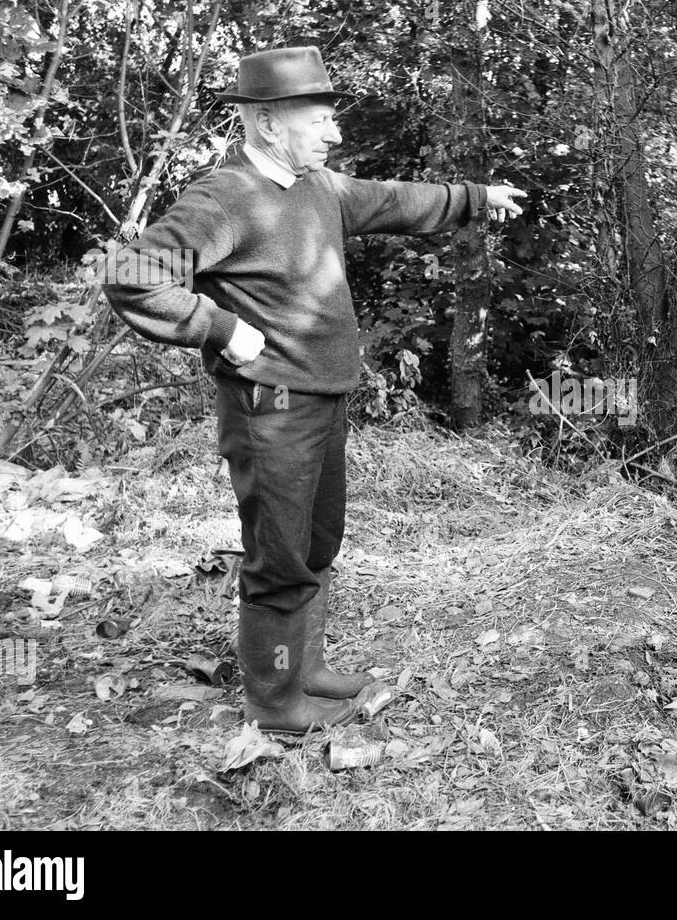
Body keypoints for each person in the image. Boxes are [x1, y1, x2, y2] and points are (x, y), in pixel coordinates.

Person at [102, 46, 526, 733]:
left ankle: (307, 669)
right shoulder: (226, 198)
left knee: (317, 542)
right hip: (269, 407)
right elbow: (133, 274)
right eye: (321, 119)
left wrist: (476, 198)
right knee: (280, 555)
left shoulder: (317, 186)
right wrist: (219, 327)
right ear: (269, 123)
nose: (334, 134)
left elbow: (391, 199)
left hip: (324, 399)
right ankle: (275, 704)